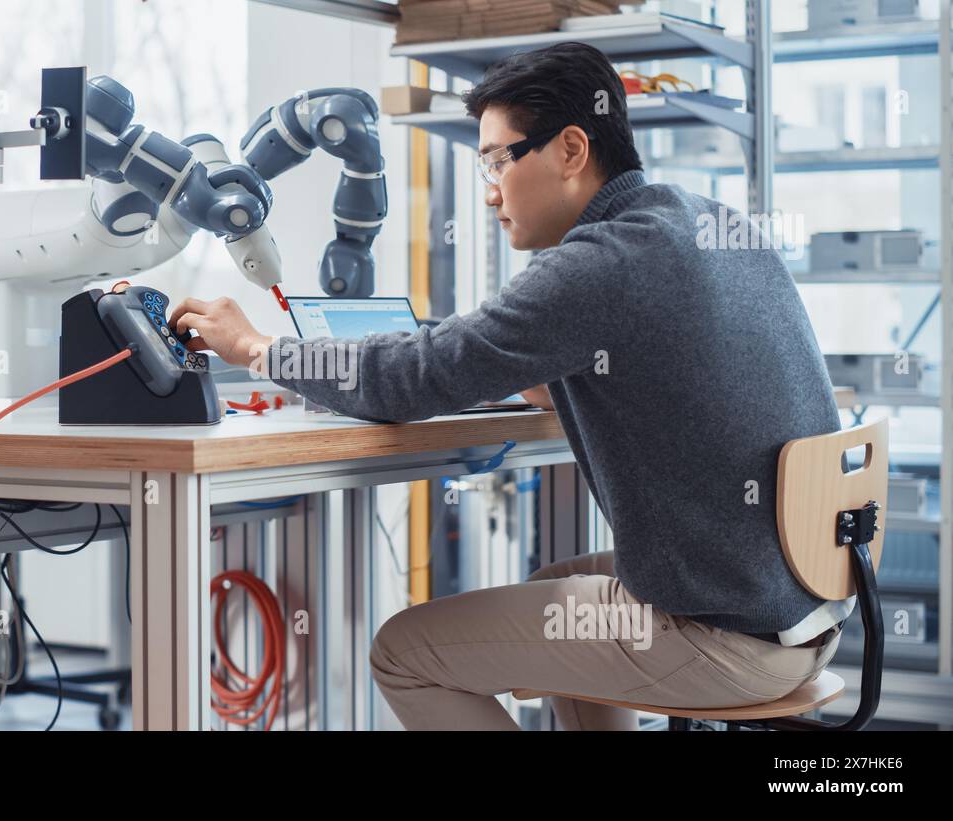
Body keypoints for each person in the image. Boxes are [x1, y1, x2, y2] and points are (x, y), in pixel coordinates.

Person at [168, 42, 846, 730]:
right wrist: (559, 373)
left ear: (572, 149)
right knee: (555, 588)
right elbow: (683, 364)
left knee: (403, 651)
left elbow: (414, 378)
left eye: (498, 159)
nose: (490, 188)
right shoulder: (705, 220)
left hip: (726, 634)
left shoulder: (602, 262)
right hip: (801, 605)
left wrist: (257, 348)